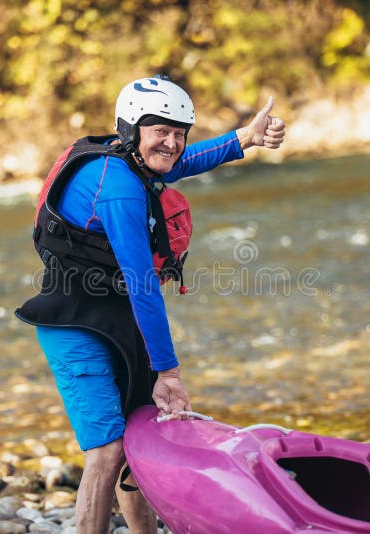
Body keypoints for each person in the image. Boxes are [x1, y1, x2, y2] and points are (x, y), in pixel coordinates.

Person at [15, 75, 285, 533]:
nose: (173, 142)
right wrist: (169, 372)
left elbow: (178, 162)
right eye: (161, 130)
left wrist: (245, 138)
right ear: (132, 129)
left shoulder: (130, 160)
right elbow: (143, 286)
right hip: (74, 324)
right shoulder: (117, 186)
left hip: (112, 316)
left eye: (180, 132)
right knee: (106, 451)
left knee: (138, 433)